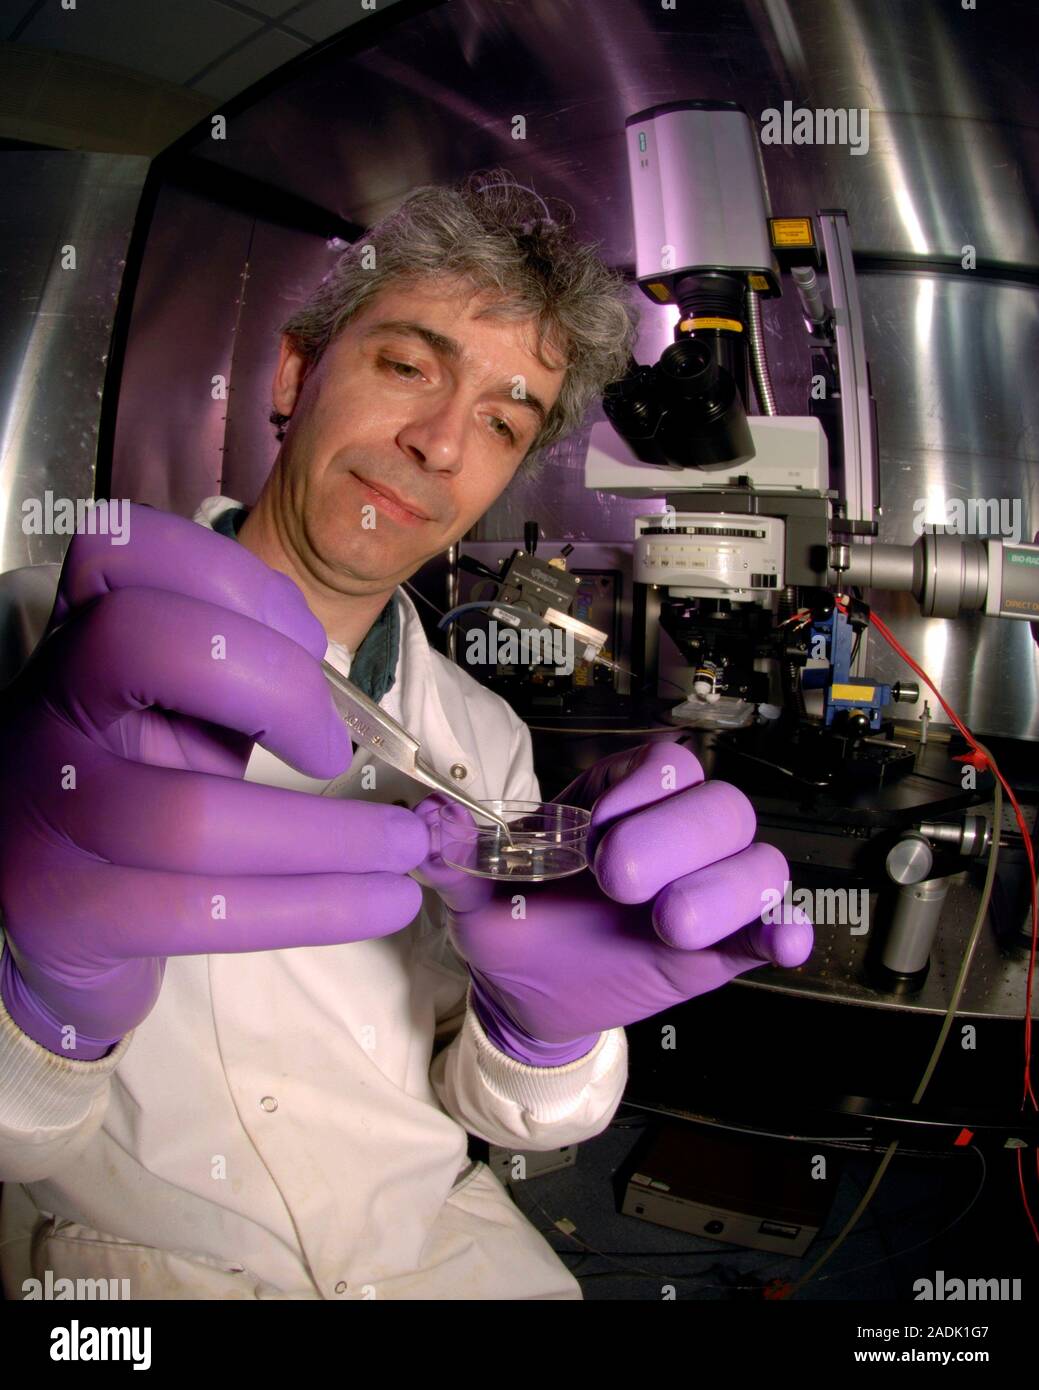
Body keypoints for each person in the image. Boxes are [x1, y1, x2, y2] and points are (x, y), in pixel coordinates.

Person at [0, 170, 812, 1300]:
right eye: (406, 364)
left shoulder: (486, 738)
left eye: (499, 419)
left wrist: (539, 1041)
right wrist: (40, 1012)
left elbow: (499, 1120)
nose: (439, 442)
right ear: (294, 373)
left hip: (437, 1252)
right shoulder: (35, 636)